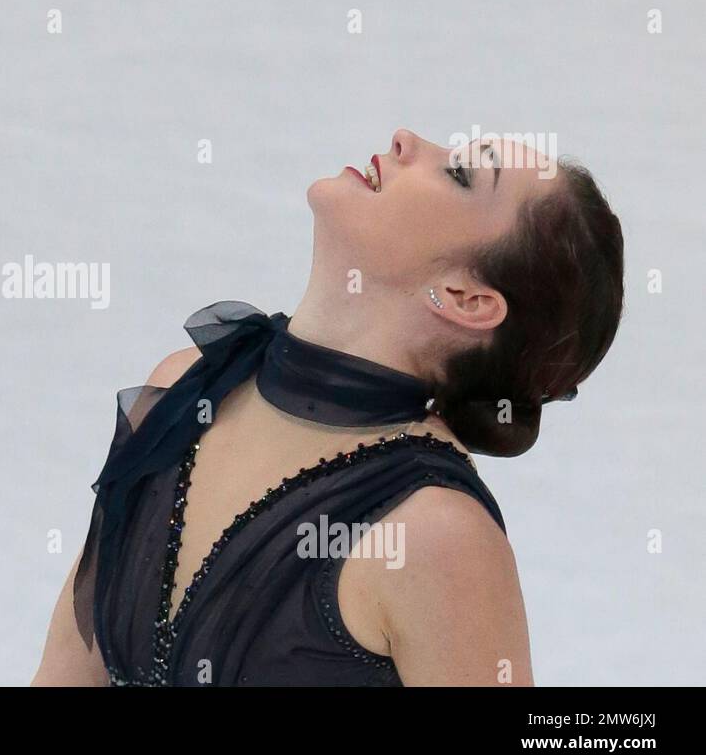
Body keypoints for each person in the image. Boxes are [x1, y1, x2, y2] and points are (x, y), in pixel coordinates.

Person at [31, 128, 624, 686]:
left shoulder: (436, 533)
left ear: (466, 299)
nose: (406, 139)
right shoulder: (185, 386)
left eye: (460, 174)